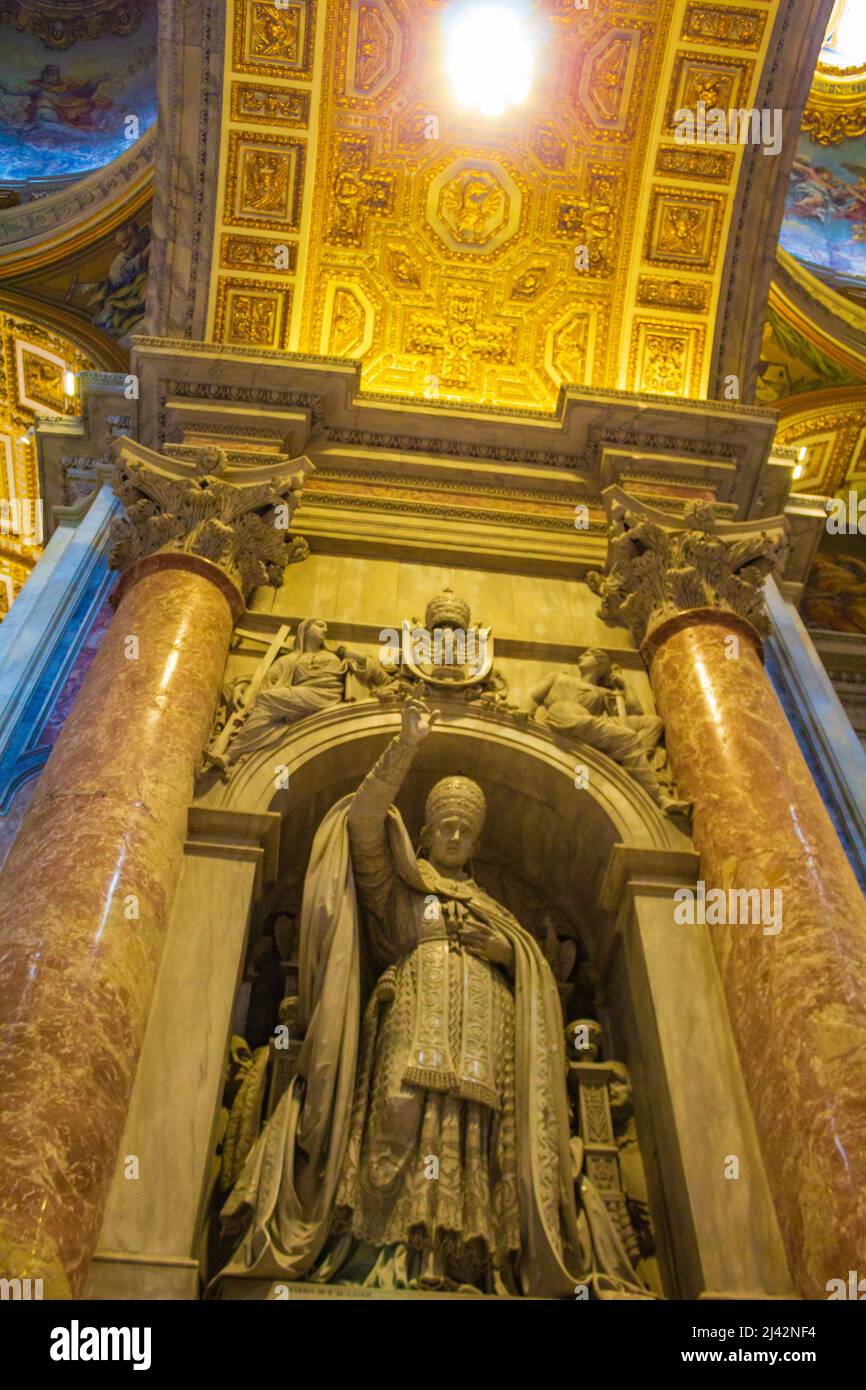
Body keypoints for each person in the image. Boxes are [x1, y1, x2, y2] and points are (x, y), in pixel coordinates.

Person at [525, 648, 690, 816]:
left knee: (650, 724)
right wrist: (524, 712)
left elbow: (635, 710)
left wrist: (624, 685)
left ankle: (639, 768)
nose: (581, 656)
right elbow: (532, 696)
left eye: (587, 654)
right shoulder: (559, 678)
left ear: (599, 663)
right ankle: (635, 766)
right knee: (624, 737)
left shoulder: (603, 692)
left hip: (588, 723)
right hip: (561, 716)